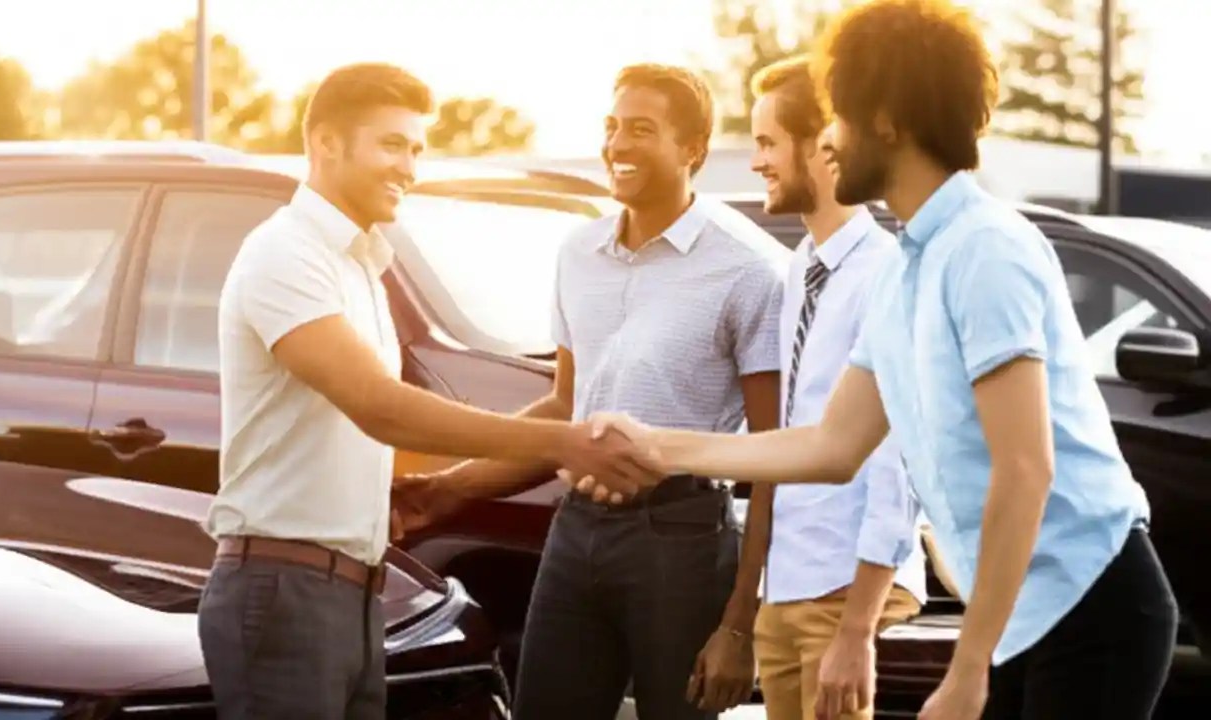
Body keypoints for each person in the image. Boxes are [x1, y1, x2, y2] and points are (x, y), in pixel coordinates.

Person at [574, 2, 1179, 719]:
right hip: (1025, 612)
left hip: (1093, 604)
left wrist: (967, 667)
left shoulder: (986, 248)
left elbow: (1026, 467)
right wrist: (656, 445)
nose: (827, 142)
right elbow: (833, 445)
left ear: (887, 120)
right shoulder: (903, 271)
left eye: (838, 117)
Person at [196, 62, 657, 720]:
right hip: (284, 593)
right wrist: (564, 440)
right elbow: (380, 405)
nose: (409, 167)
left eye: (416, 148)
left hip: (350, 592)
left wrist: (438, 490)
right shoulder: (285, 255)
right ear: (326, 144)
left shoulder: (359, 264)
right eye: (392, 144)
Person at [401, 63, 788, 720]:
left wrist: (739, 625)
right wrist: (447, 488)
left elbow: (778, 458)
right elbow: (563, 408)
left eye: (641, 129)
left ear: (692, 148)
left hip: (683, 538)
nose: (618, 146)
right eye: (612, 127)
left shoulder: (747, 271)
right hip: (575, 529)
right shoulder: (578, 253)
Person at [743, 56, 926, 720]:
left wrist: (856, 625)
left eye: (766, 142)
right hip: (787, 585)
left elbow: (895, 456)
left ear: (822, 147)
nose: (755, 161)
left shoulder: (887, 274)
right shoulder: (801, 268)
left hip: (842, 589)